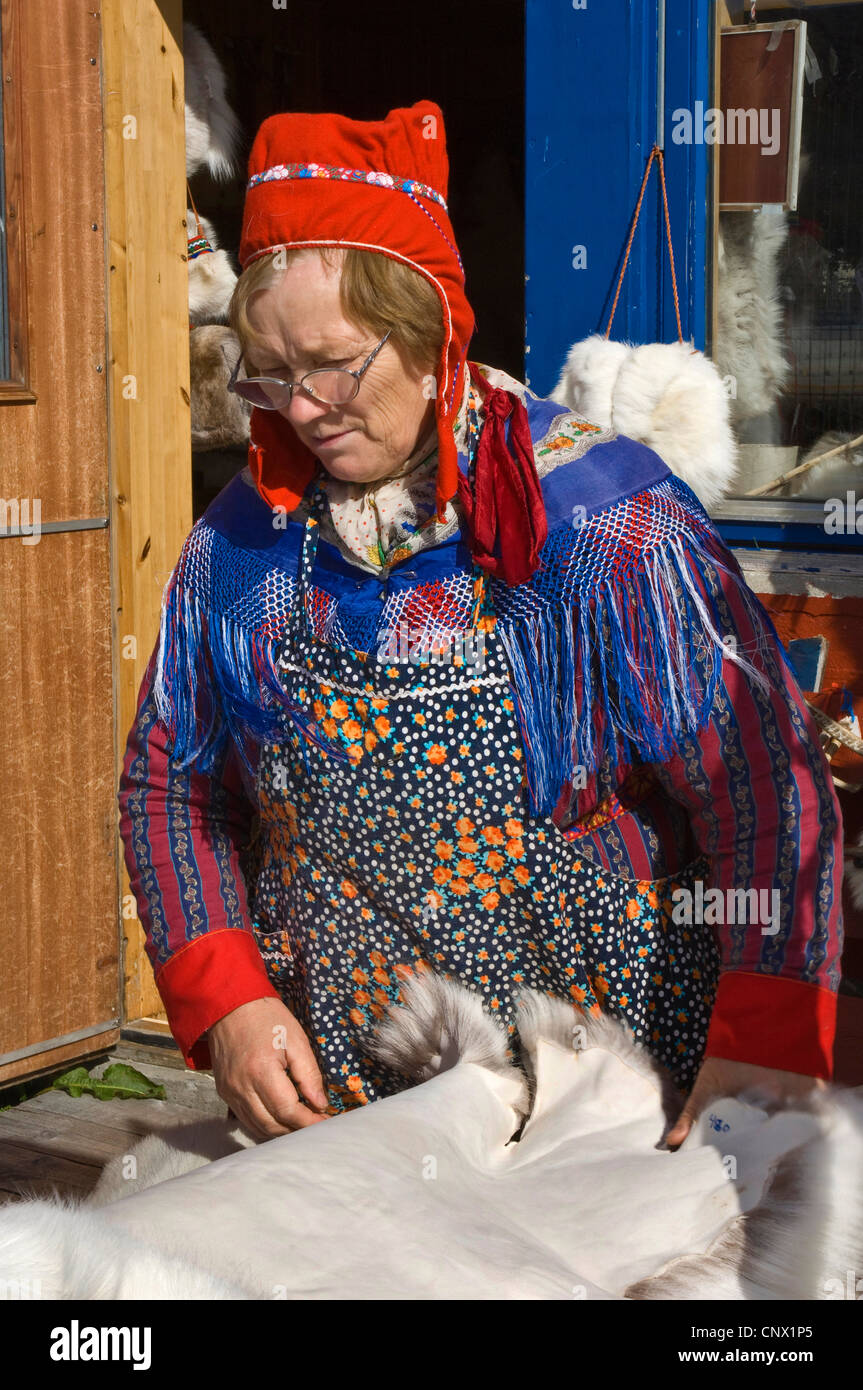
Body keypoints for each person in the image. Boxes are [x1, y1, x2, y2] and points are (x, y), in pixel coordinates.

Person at [119, 100, 842, 1144]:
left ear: (427, 330)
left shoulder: (602, 522)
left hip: (615, 1114)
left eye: (333, 363)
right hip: (359, 1122)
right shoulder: (242, 550)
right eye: (268, 373)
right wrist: (226, 997)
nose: (301, 405)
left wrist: (763, 1048)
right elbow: (167, 786)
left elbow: (765, 788)